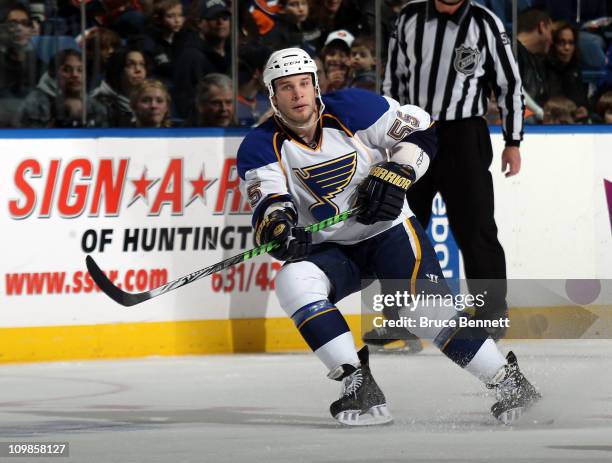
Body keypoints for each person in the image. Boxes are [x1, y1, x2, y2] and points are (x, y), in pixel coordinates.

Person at [236, 47, 541, 426]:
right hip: (334, 250)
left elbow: (423, 129)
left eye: (303, 84)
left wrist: (399, 170)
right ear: (272, 95)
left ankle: (509, 382)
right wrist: (279, 227)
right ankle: (358, 383)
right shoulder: (258, 146)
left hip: (390, 231)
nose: (297, 94)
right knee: (293, 280)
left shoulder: (354, 109)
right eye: (286, 87)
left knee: (423, 311)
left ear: (315, 86)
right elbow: (269, 201)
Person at [379, 0, 524, 351]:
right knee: (398, 228)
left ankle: (490, 314)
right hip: (413, 133)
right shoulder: (410, 17)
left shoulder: (485, 22)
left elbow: (508, 85)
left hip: (464, 137)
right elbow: (392, 81)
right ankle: (398, 319)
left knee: (476, 228)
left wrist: (512, 141)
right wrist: (385, 136)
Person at [16, 49, 108, 127]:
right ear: (53, 74)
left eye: (80, 70)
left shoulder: (96, 107)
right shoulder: (35, 103)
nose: (75, 75)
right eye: (67, 70)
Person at [172, 0, 231, 118]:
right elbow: (184, 101)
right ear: (200, 23)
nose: (220, 22)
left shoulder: (234, 55)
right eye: (213, 18)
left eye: (224, 18)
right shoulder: (191, 56)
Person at [0, 2, 45, 126]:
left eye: (25, 23)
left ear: (32, 29)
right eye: (12, 23)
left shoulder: (41, 66)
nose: (19, 28)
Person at [90, 47, 149, 127]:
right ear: (118, 70)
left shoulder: (151, 101)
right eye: (130, 64)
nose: (138, 69)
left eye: (142, 64)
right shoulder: (100, 103)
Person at [546, 22, 589, 122]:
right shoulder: (542, 68)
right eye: (561, 42)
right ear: (553, 44)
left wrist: (584, 109)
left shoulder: (575, 69)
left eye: (571, 43)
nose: (567, 48)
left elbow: (582, 102)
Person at [516, 8, 553, 122]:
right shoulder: (507, 49)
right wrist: (539, 113)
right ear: (542, 27)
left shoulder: (536, 61)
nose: (552, 40)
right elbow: (512, 88)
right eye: (551, 33)